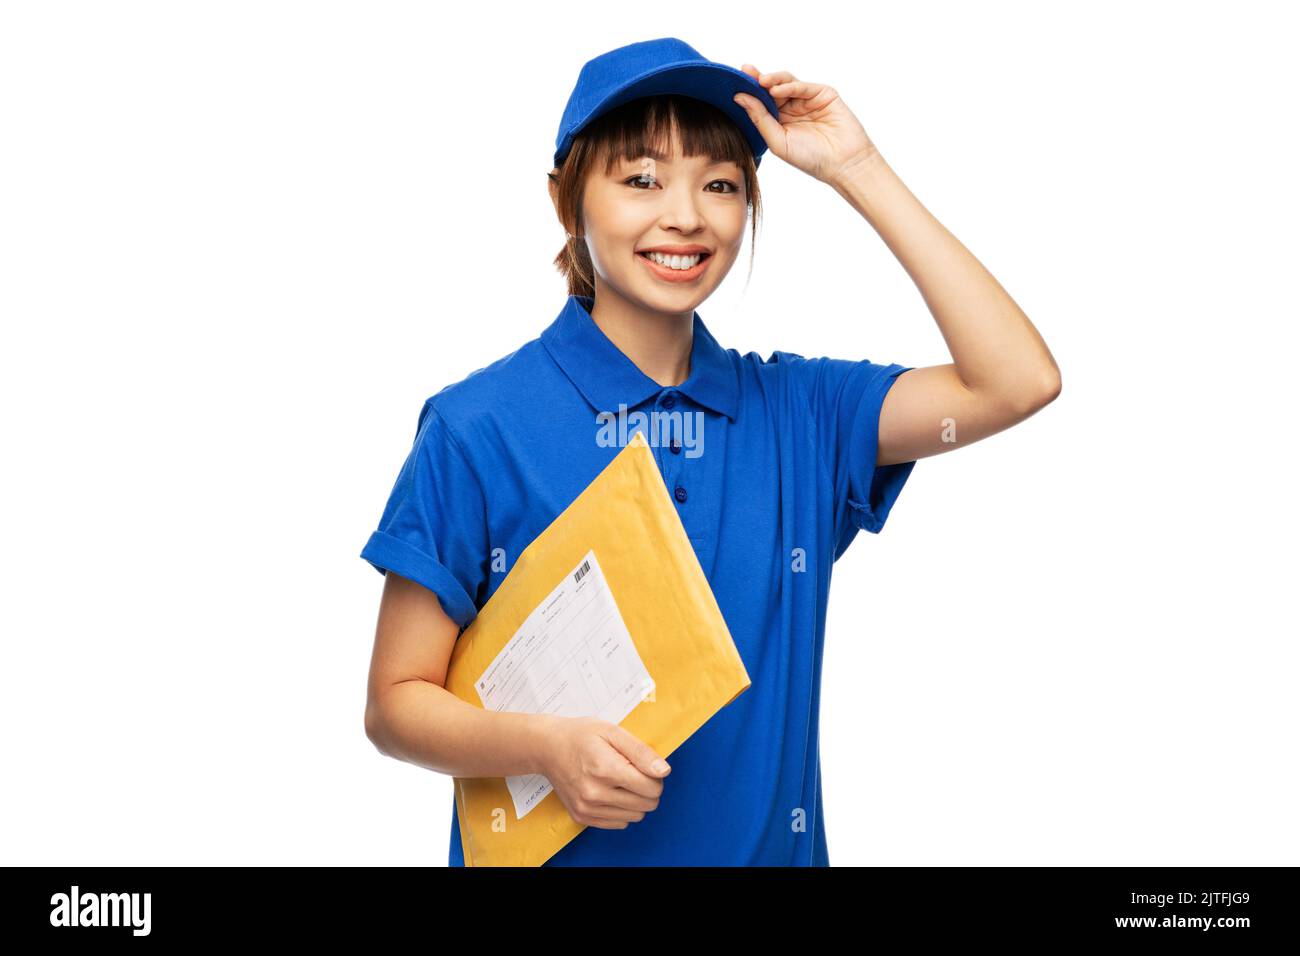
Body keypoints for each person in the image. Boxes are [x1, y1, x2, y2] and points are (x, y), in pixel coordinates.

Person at [360, 37, 1060, 866]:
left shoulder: (804, 414)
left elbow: (1016, 382)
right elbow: (396, 703)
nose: (686, 215)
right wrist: (546, 747)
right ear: (566, 200)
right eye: (641, 179)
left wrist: (858, 167)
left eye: (720, 184)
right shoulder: (479, 426)